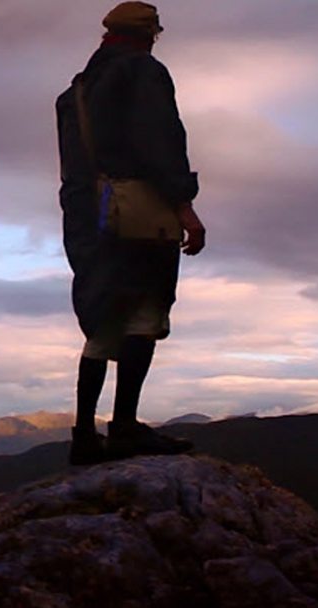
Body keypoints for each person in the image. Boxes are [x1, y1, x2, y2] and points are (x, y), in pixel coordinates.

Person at [55, 1, 206, 465]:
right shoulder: (144, 73)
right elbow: (159, 140)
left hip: (91, 215)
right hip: (141, 213)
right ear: (151, 34)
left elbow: (74, 170)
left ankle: (84, 436)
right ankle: (123, 429)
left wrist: (81, 227)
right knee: (144, 313)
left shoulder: (74, 92)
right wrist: (184, 206)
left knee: (104, 318)